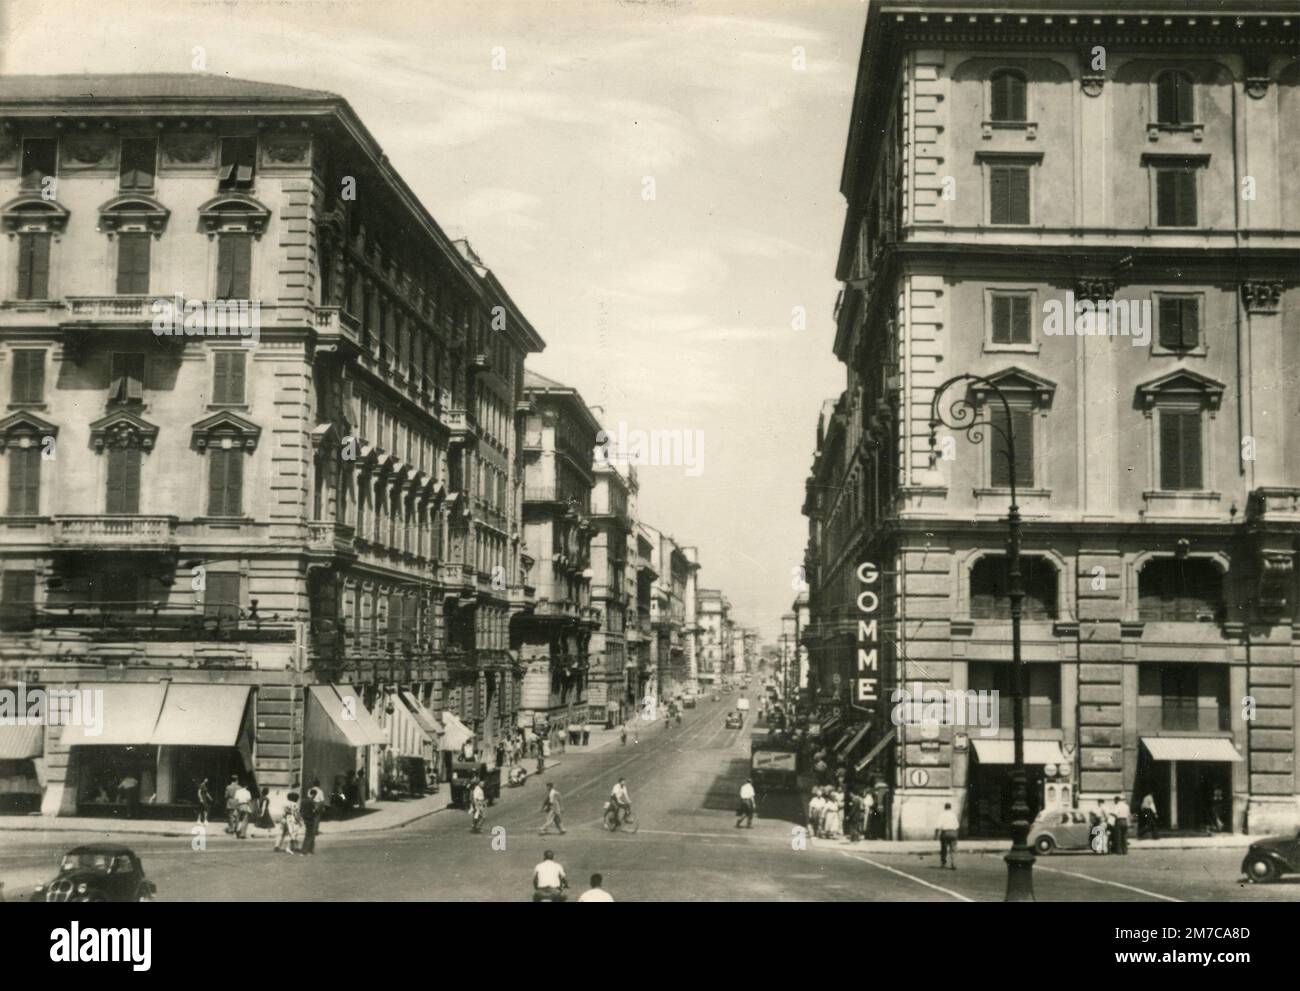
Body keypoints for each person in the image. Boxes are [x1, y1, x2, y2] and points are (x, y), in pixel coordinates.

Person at [300, 784, 322, 855]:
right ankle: (308, 850)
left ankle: (308, 849)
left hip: (305, 819)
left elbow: (301, 810)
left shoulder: (303, 800)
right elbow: (314, 810)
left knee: (308, 834)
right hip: (311, 819)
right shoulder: (312, 802)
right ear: (314, 795)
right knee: (310, 835)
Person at [936, 802, 959, 870]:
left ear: (945, 807)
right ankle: (953, 863)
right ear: (950, 807)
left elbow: (938, 826)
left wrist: (936, 834)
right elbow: (957, 825)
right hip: (953, 833)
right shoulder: (953, 815)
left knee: (944, 849)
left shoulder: (942, 815)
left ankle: (943, 863)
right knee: (953, 849)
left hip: (945, 833)